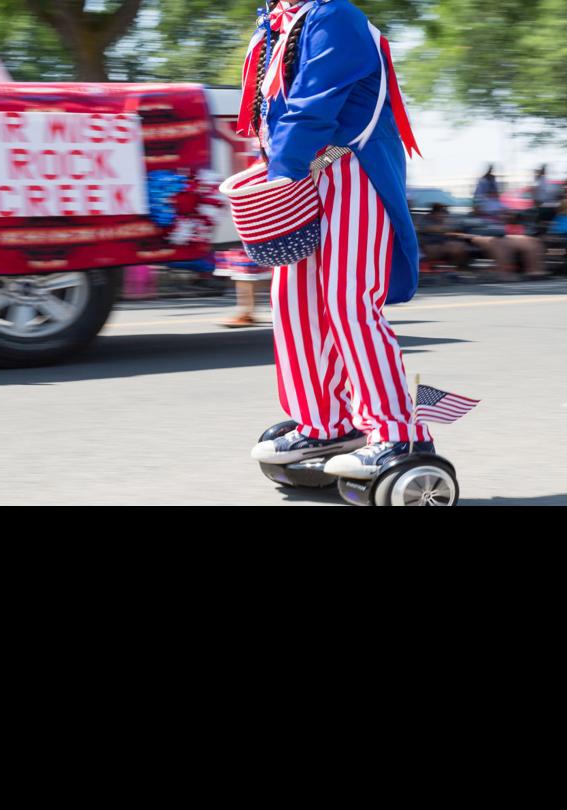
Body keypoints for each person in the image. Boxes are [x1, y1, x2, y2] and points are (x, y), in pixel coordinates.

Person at [239, 0, 435, 479]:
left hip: (351, 172)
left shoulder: (335, 16)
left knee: (349, 302)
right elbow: (271, 113)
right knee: (294, 302)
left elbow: (313, 103)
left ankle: (398, 429)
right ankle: (325, 422)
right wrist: (272, 170)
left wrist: (279, 174)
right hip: (302, 175)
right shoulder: (276, 23)